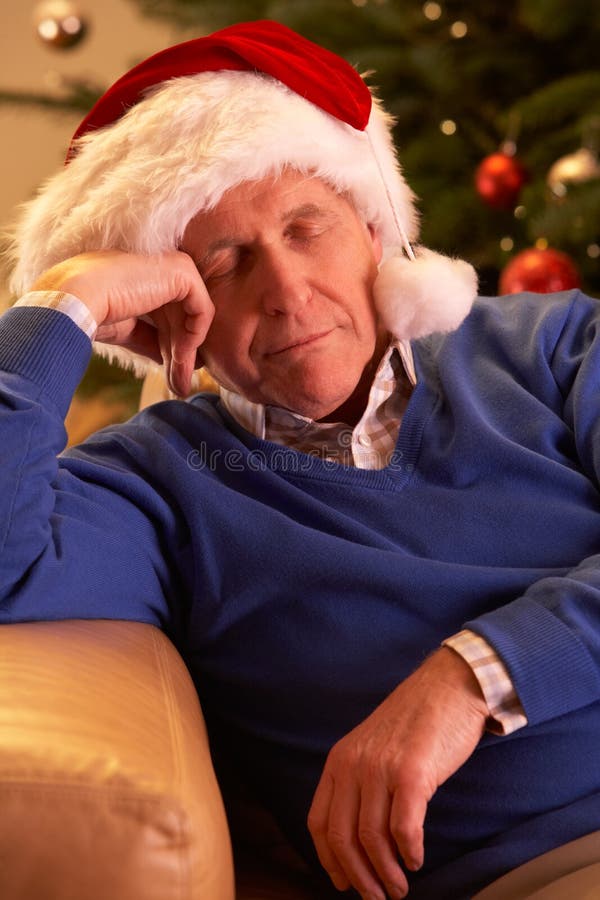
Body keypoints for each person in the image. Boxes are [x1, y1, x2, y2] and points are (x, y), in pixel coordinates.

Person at [1, 19, 600, 900]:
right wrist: (61, 306)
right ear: (172, 304)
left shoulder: (553, 342)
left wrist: (469, 676)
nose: (285, 291)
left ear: (371, 226)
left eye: (306, 227)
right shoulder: (155, 488)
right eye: (225, 260)